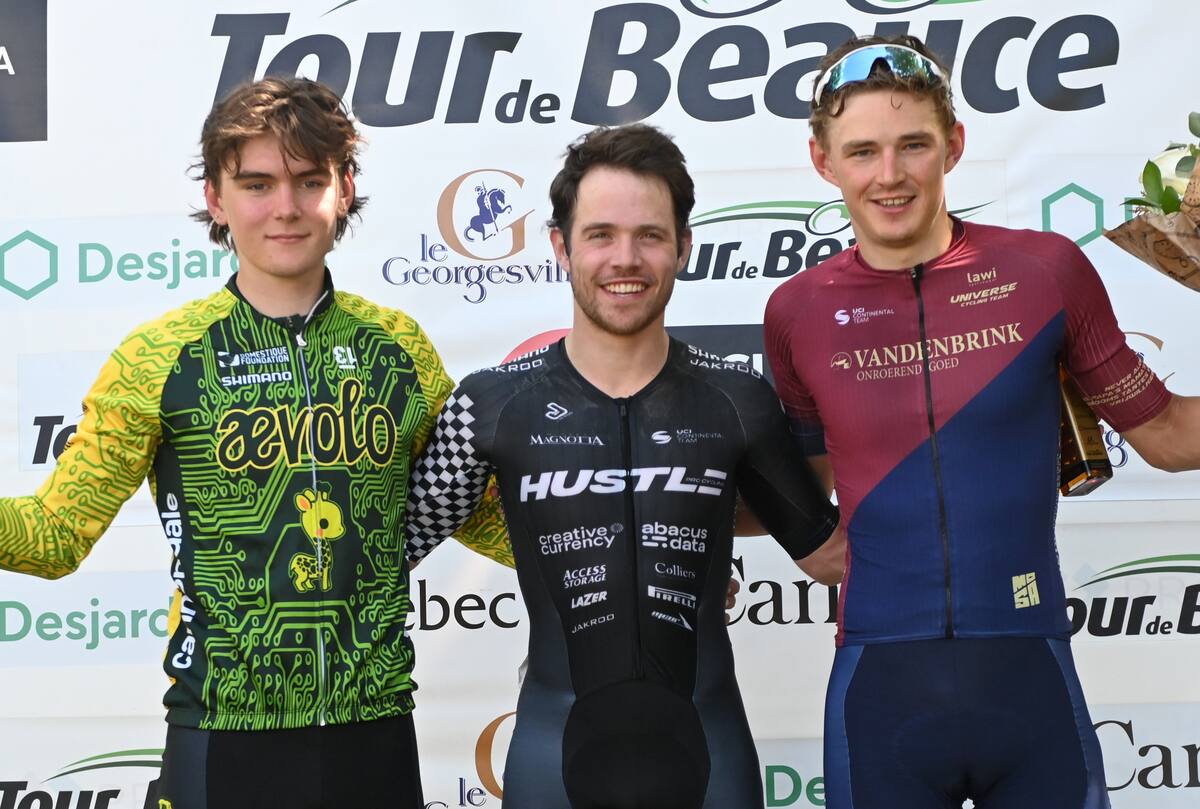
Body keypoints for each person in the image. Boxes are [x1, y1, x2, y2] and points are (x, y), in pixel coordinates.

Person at [0, 77, 511, 809]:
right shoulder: (159, 356)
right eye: (257, 183)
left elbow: (483, 514)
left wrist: (642, 560)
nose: (286, 207)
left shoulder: (397, 348)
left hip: (376, 738)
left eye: (310, 181)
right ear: (216, 198)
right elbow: (53, 535)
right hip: (221, 738)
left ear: (345, 187)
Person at [764, 34, 1200, 809]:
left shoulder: (1045, 270)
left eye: (913, 146)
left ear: (954, 145)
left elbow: (1167, 436)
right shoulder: (796, 311)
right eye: (862, 151)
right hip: (879, 689)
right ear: (823, 162)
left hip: (1027, 675)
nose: (889, 175)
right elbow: (808, 495)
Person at [403, 124, 839, 809]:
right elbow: (380, 549)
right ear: (560, 246)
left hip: (708, 757)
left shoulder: (737, 400)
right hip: (554, 760)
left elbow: (831, 552)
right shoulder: (490, 404)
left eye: (650, 235)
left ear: (684, 247)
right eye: (600, 234)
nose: (624, 259)